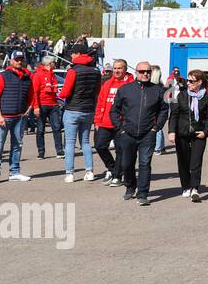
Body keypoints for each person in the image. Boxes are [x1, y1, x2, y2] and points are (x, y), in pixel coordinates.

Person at [111, 61, 168, 206]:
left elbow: (164, 110)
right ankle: (130, 187)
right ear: (136, 72)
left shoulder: (159, 90)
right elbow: (114, 110)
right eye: (142, 71)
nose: (145, 74)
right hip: (127, 133)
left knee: (145, 163)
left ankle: (142, 194)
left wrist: (156, 128)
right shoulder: (125, 89)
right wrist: (120, 128)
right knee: (127, 164)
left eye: (148, 71)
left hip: (147, 134)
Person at [0, 50, 35, 184]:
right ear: (11, 60)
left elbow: (31, 96)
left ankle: (14, 172)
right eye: (17, 59)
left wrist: (28, 109)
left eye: (21, 59)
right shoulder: (2, 77)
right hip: (3, 117)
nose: (19, 61)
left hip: (19, 117)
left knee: (17, 146)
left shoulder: (27, 77)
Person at [58, 50, 101, 182]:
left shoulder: (73, 71)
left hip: (73, 109)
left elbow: (65, 92)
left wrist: (59, 95)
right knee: (85, 142)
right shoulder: (96, 71)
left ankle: (69, 173)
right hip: (88, 109)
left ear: (78, 54)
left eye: (73, 53)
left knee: (70, 143)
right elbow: (98, 91)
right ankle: (89, 171)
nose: (71, 55)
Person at [169, 69, 208, 201]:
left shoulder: (206, 97)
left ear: (199, 82)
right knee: (183, 161)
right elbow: (174, 115)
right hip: (182, 132)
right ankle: (186, 186)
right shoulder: (181, 95)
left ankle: (195, 189)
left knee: (196, 162)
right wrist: (171, 132)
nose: (188, 83)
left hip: (198, 133)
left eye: (191, 81)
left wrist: (205, 132)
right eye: (188, 80)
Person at [95, 59, 134, 186]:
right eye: (115, 68)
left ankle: (117, 176)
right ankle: (111, 169)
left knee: (120, 150)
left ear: (125, 69)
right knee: (100, 146)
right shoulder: (107, 83)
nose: (116, 71)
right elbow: (101, 101)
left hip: (122, 123)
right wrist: (97, 120)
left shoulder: (131, 84)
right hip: (105, 122)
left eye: (119, 68)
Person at [31, 55, 65, 164]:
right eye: (54, 62)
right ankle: (41, 152)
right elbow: (34, 92)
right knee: (40, 129)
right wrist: (36, 106)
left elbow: (55, 89)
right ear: (49, 63)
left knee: (57, 128)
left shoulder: (52, 74)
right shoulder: (38, 75)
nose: (55, 64)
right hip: (42, 105)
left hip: (53, 104)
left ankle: (59, 151)